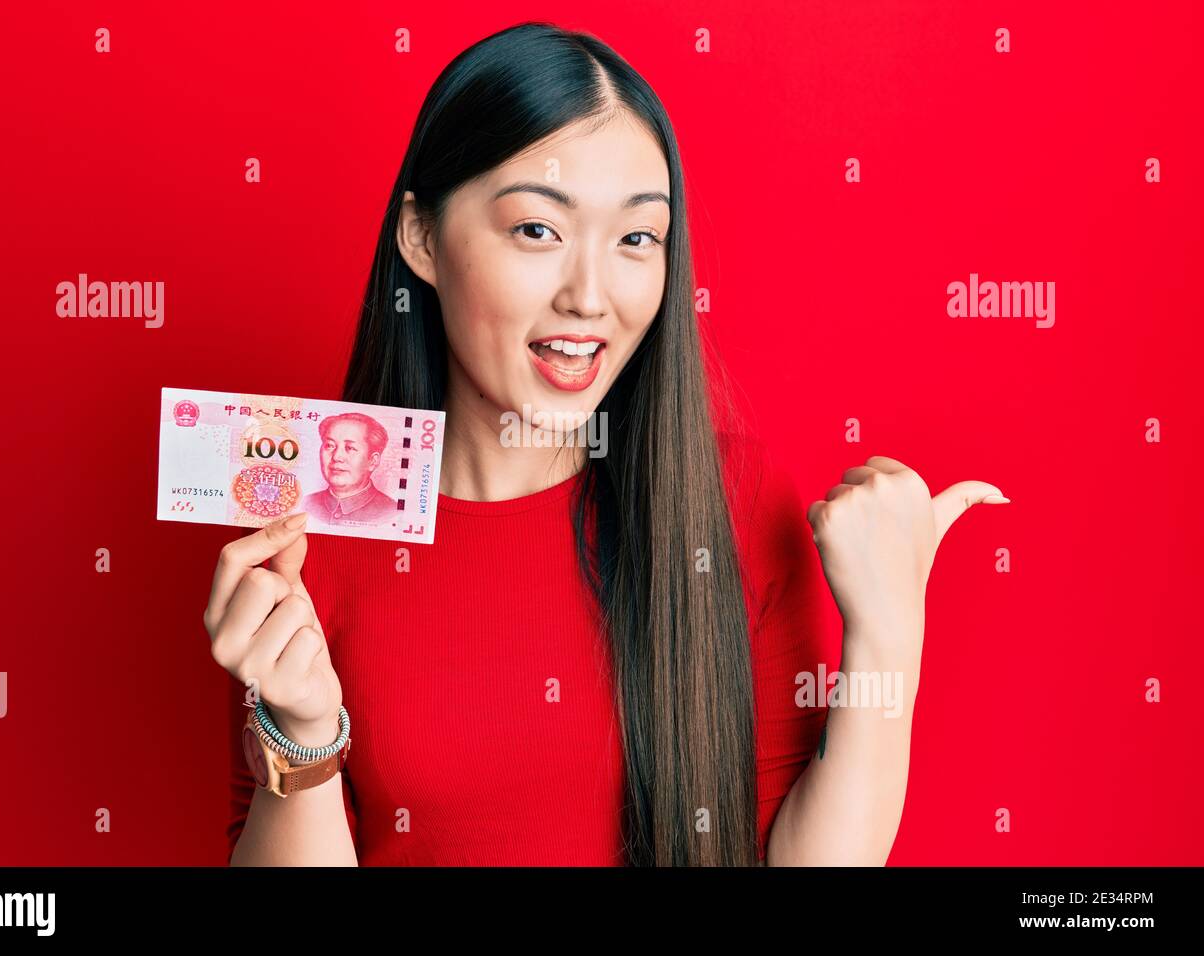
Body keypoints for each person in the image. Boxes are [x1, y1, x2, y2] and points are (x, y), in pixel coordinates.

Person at [205, 21, 1008, 867]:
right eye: (538, 231)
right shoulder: (308, 539)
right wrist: (302, 738)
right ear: (423, 239)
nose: (590, 296)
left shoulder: (731, 505)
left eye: (635, 239)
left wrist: (888, 632)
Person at [300, 413, 399, 526]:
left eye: (350, 448)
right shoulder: (304, 504)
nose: (337, 457)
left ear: (373, 461)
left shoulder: (391, 513)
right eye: (329, 445)